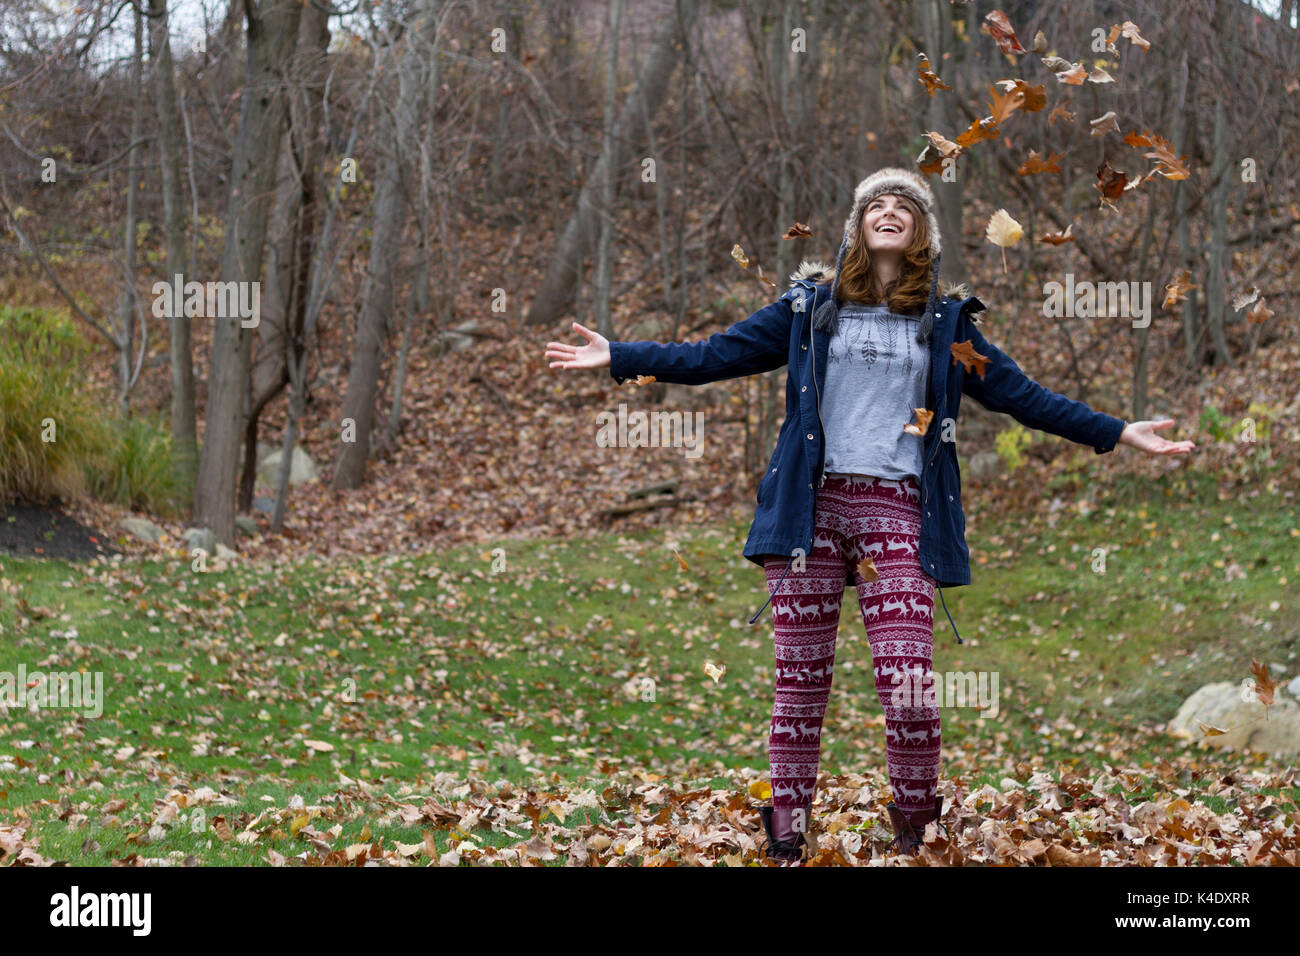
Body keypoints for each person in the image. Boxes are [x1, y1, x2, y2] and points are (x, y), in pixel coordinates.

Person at [544, 166, 1195, 865]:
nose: (888, 211)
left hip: (896, 512)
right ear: (857, 226)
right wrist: (621, 355)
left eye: (904, 205)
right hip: (808, 511)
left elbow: (1023, 396)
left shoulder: (946, 325)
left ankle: (918, 831)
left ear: (921, 230)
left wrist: (1117, 430)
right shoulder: (806, 311)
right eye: (875, 204)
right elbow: (712, 355)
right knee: (800, 682)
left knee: (910, 680)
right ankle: (787, 834)